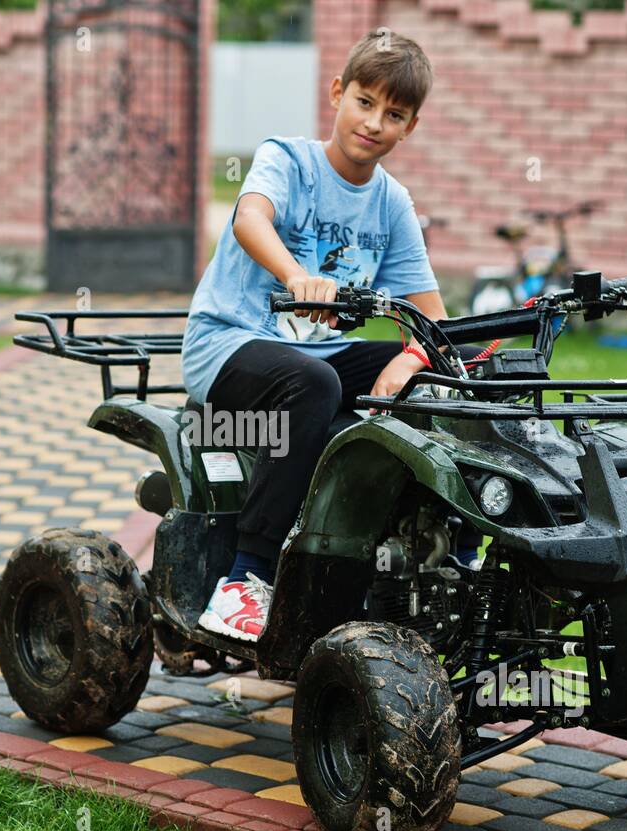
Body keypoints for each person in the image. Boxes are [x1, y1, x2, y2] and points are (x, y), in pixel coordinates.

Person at [181, 29, 473, 643]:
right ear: (338, 93)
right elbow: (249, 217)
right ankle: (245, 580)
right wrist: (296, 275)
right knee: (311, 383)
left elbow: (433, 318)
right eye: (365, 102)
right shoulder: (287, 160)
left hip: (319, 358)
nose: (374, 123)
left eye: (393, 115)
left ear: (409, 127)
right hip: (230, 347)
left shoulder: (392, 204)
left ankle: (456, 556)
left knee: (466, 364)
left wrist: (413, 357)